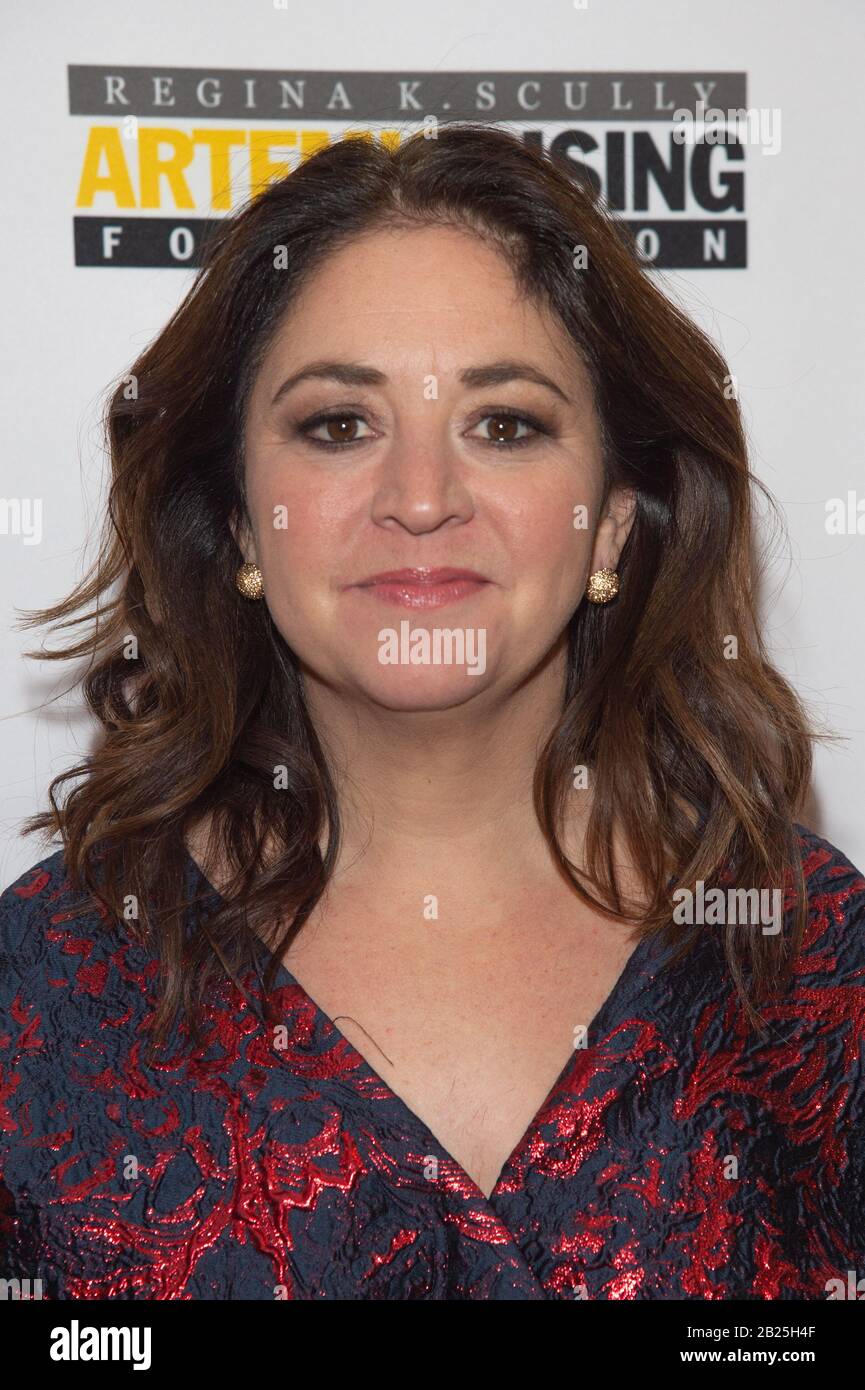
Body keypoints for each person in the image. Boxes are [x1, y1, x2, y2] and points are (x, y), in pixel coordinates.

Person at [1, 123, 862, 1300]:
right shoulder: (44, 991)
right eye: (338, 425)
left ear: (613, 518)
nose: (419, 498)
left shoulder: (814, 965)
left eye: (503, 424)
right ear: (244, 523)